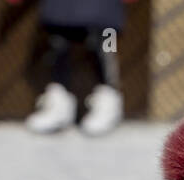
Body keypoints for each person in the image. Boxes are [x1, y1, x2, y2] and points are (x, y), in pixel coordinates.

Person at [22, 0, 128, 136]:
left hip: (107, 15)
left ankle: (109, 99)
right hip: (60, 10)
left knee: (107, 43)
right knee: (57, 41)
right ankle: (58, 103)